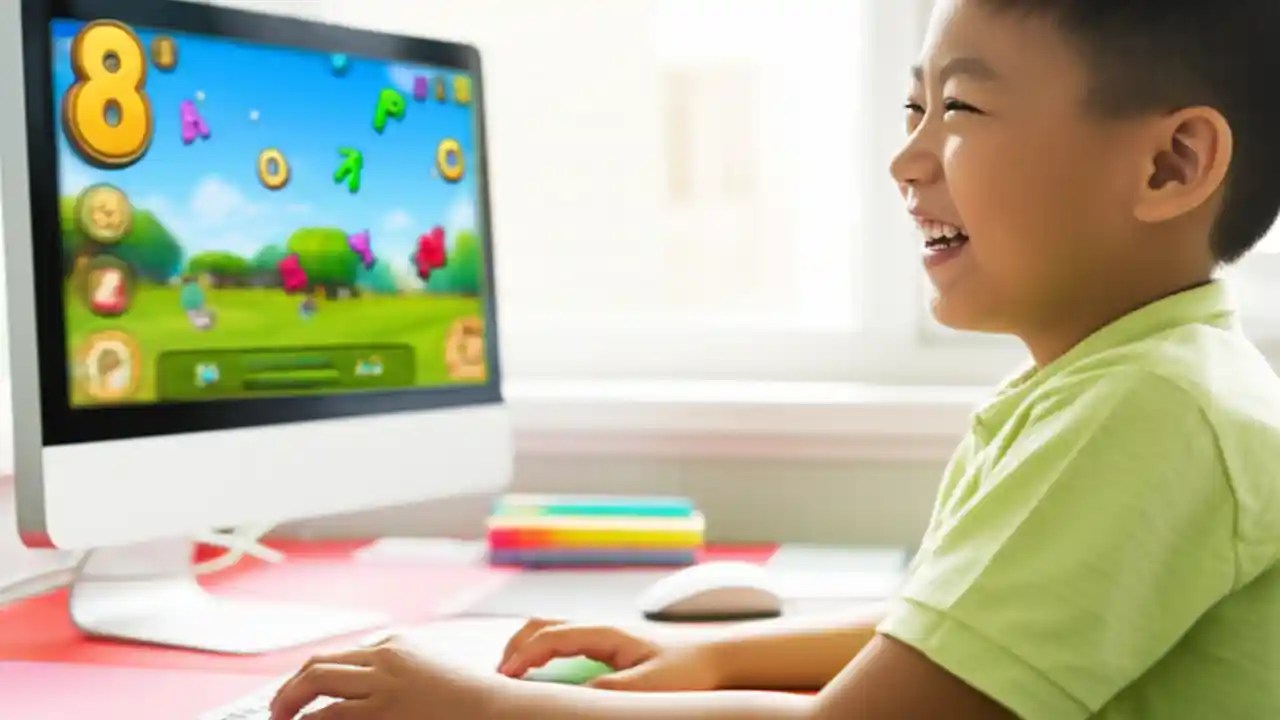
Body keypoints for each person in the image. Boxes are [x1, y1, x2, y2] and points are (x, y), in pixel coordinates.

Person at [269, 1, 1280, 717]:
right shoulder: (1139, 379)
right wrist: (708, 654)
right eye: (911, 109)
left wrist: (483, 711)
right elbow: (961, 632)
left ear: (1167, 164)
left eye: (960, 111)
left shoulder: (1150, 413)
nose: (905, 159)